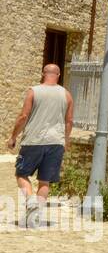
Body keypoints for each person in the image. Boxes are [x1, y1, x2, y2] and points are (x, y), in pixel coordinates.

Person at [7, 64, 74, 229]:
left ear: (43, 74)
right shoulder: (67, 95)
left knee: (21, 174)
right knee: (45, 181)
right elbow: (69, 121)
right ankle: (35, 217)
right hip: (56, 143)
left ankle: (30, 201)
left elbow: (23, 116)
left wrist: (13, 136)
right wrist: (65, 140)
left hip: (33, 141)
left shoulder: (33, 91)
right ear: (58, 75)